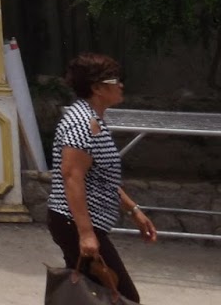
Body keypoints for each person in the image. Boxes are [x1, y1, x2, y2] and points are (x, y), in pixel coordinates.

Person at [47, 53, 156, 302]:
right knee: (123, 297)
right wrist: (86, 234)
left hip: (73, 222)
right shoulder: (84, 123)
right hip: (73, 223)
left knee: (90, 295)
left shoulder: (94, 119)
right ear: (96, 88)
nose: (121, 85)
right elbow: (72, 176)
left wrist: (133, 210)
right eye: (115, 80)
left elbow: (99, 178)